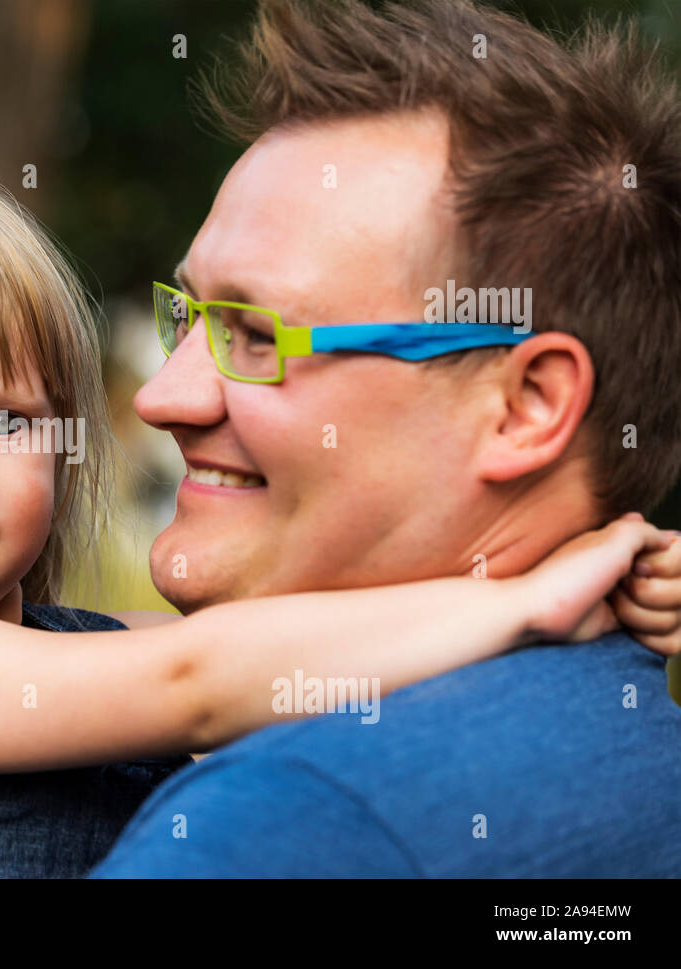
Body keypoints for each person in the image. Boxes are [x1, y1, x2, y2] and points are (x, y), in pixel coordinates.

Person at [0, 164, 678, 877]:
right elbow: (206, 679)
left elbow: (282, 656)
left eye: (2, 419)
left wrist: (581, 581)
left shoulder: (76, 651)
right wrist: (518, 597)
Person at [90, 0, 681, 877]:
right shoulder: (631, 740)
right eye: (191, 318)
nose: (164, 398)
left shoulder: (289, 820)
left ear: (525, 407)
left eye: (256, 335)